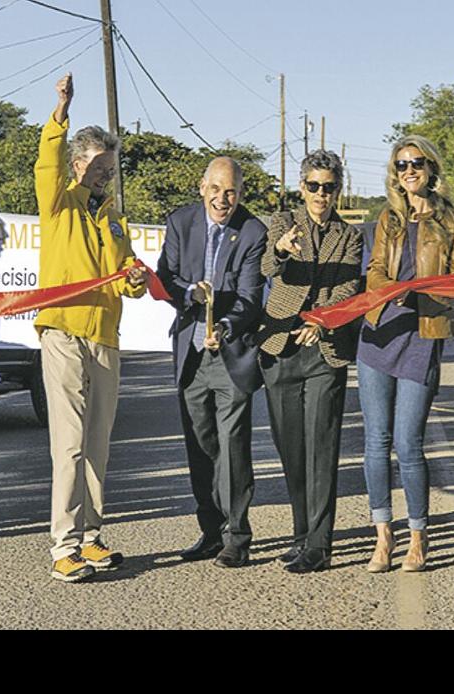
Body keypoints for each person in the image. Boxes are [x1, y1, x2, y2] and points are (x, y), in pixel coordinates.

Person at [34, 73, 147, 583]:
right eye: (97, 166)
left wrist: (138, 279)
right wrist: (61, 113)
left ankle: (92, 537)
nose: (104, 175)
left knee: (99, 441)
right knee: (71, 441)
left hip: (105, 334)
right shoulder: (58, 203)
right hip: (62, 330)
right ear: (77, 165)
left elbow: (125, 280)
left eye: (109, 167)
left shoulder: (114, 218)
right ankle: (63, 545)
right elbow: (46, 161)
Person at [358, 135, 454, 573]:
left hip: (423, 334)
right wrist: (384, 293)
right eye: (402, 165)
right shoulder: (388, 217)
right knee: (376, 443)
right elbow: (374, 269)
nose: (409, 171)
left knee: (408, 443)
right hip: (379, 333)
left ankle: (418, 538)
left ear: (431, 169)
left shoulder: (452, 221)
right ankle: (383, 537)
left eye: (417, 163)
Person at [157, 156, 267, 568]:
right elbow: (164, 278)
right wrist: (189, 295)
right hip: (190, 353)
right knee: (201, 446)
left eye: (232, 191)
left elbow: (250, 296)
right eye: (217, 190)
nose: (224, 199)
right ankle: (210, 530)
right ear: (202, 188)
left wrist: (223, 324)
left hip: (229, 352)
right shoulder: (180, 222)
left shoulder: (253, 231)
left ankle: (238, 535)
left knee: (233, 446)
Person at [258, 149, 363, 574]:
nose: (321, 194)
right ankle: (301, 536)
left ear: (339, 189)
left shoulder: (350, 234)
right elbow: (267, 266)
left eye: (329, 187)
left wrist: (321, 322)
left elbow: (351, 285)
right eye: (314, 186)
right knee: (291, 450)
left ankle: (320, 545)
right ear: (302, 187)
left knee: (321, 449)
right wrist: (282, 249)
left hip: (324, 349)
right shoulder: (282, 223)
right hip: (280, 346)